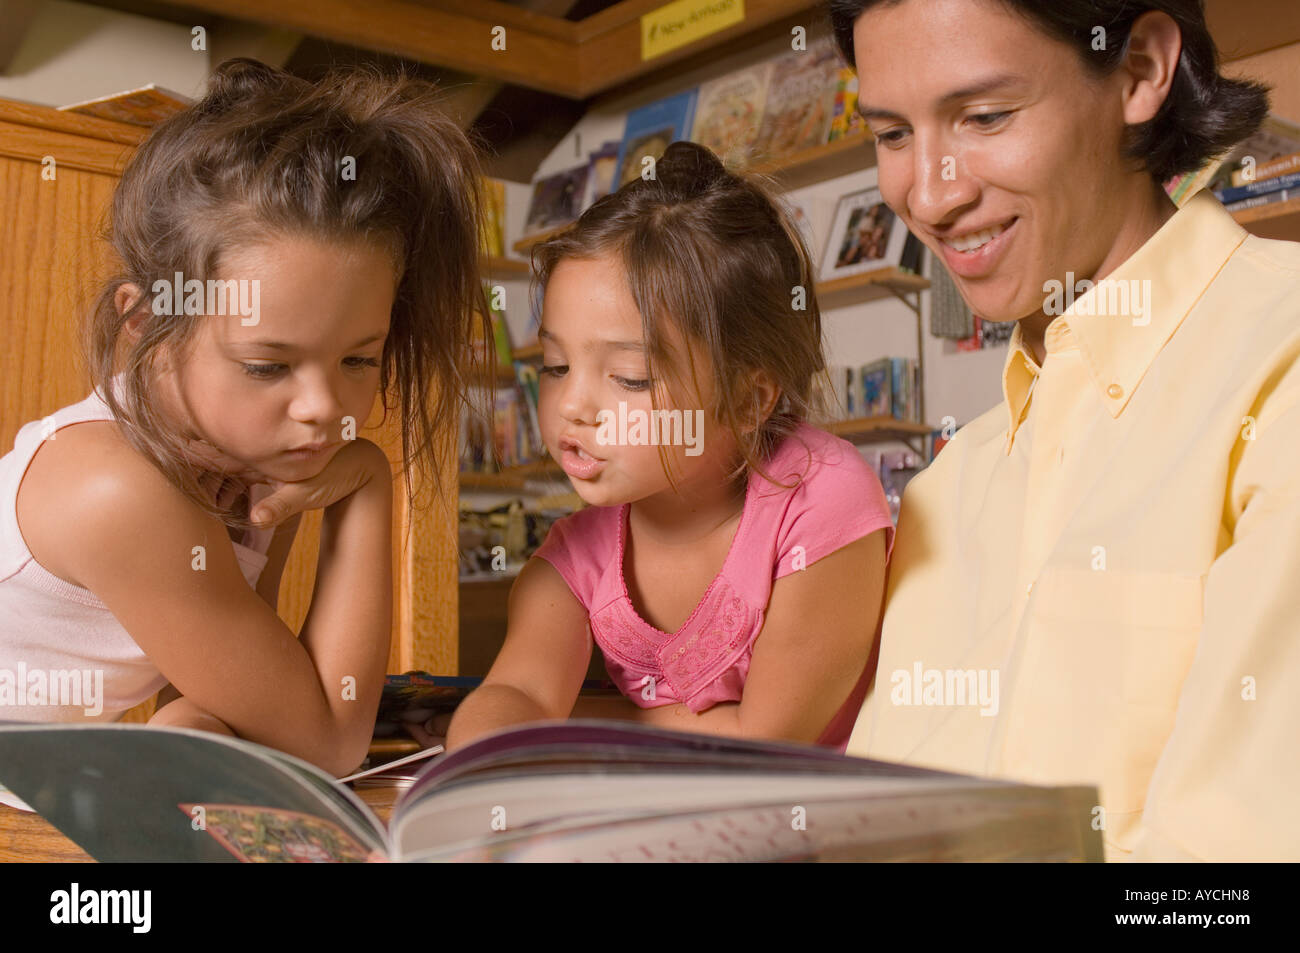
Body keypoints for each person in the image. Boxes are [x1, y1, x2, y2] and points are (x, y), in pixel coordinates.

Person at [828, 0, 1298, 860]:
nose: (929, 194)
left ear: (1141, 69)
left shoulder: (1282, 356)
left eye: (985, 117)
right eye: (893, 134)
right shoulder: (946, 489)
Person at [0, 58, 490, 800]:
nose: (323, 407)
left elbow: (240, 694)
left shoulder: (251, 449)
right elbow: (326, 738)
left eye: (360, 357)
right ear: (145, 324)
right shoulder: (116, 489)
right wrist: (367, 480)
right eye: (267, 364)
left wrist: (196, 727)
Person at [446, 142, 895, 752]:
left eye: (629, 378)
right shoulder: (574, 557)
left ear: (746, 400)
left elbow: (763, 745)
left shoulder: (820, 498)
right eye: (554, 366)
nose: (572, 406)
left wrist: (576, 721)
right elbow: (518, 693)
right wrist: (480, 763)